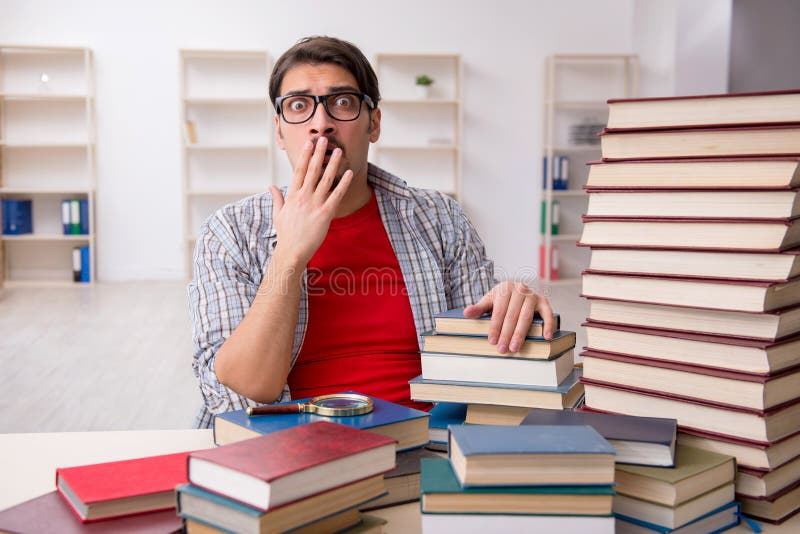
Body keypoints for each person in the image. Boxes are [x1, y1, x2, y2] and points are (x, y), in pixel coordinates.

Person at [188, 36, 555, 428]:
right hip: (287, 449)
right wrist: (290, 254)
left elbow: (482, 364)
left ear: (373, 123)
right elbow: (249, 387)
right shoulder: (229, 232)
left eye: (342, 102)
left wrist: (509, 304)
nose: (321, 123)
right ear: (279, 131)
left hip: (424, 443)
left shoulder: (439, 217)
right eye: (299, 106)